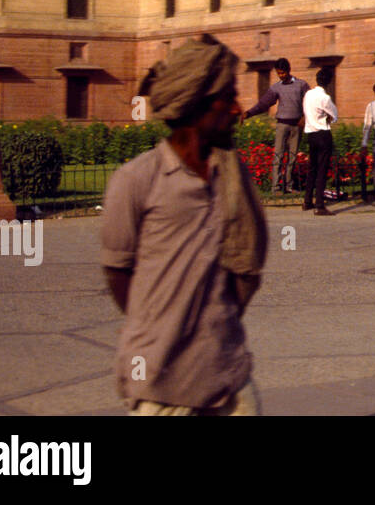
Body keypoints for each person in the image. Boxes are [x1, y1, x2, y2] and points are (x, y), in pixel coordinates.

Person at [100, 33, 267, 415]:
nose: (237, 108)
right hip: (161, 386)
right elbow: (117, 272)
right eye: (228, 98)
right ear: (198, 107)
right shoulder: (137, 180)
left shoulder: (231, 176)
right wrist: (162, 325)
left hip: (228, 376)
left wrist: (215, 319)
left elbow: (248, 264)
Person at [242, 57, 309, 193]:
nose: (281, 75)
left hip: (296, 125)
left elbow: (310, 102)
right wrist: (248, 113)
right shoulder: (276, 87)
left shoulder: (302, 85)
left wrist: (305, 117)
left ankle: (289, 186)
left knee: (292, 157)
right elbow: (264, 104)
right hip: (282, 125)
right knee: (278, 156)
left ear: (288, 70)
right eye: (279, 73)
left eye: (283, 73)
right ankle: (276, 187)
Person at [303, 66, 338, 216]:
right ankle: (319, 204)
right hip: (323, 134)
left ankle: (307, 201)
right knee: (322, 169)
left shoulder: (308, 94)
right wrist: (327, 118)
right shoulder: (325, 98)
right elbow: (334, 115)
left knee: (312, 168)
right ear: (329, 82)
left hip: (311, 133)